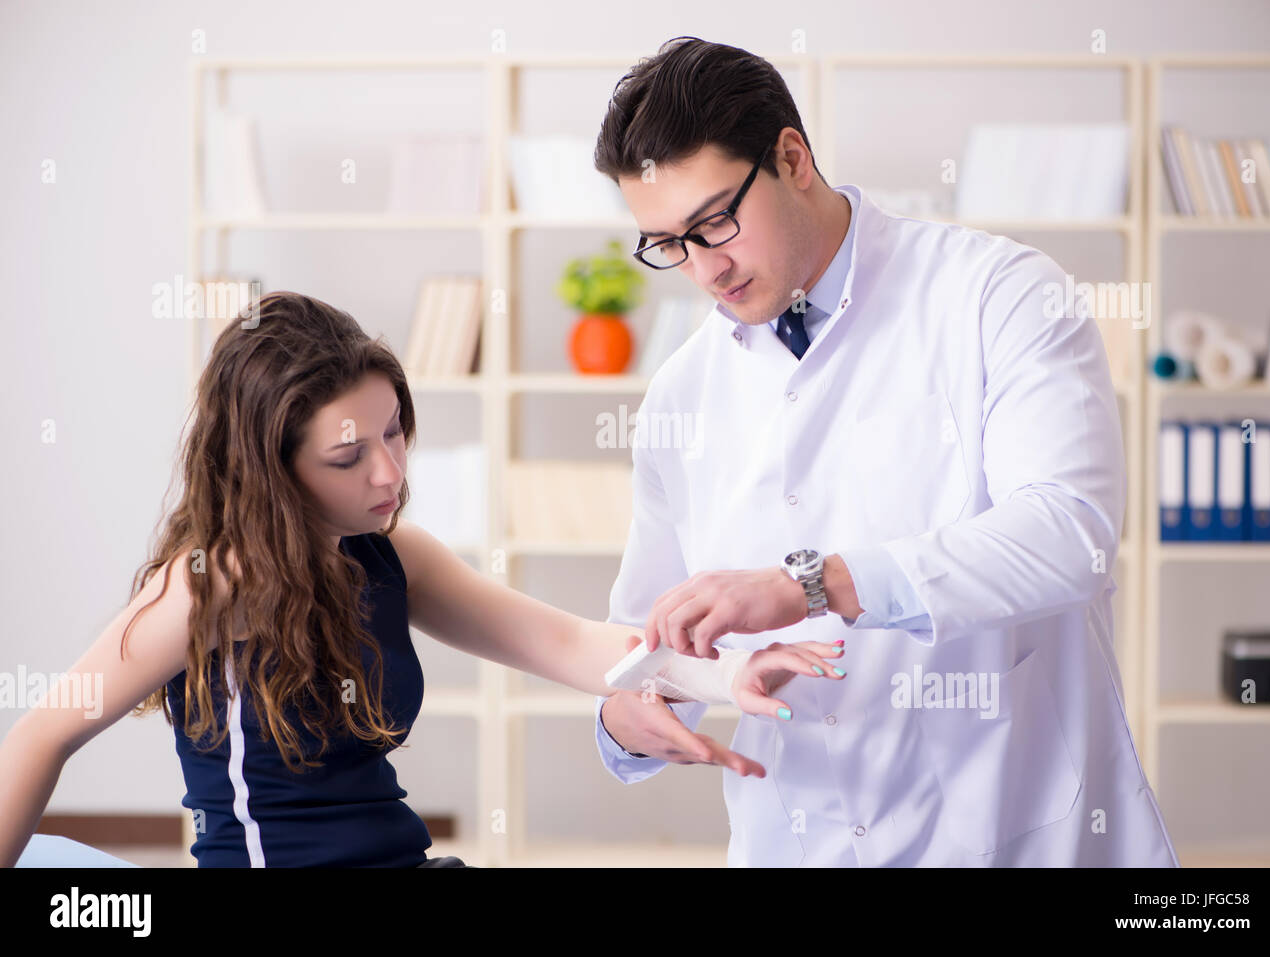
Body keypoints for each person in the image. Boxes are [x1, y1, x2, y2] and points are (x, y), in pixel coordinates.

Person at [590, 36, 1180, 867]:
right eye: (667, 243)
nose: (703, 267)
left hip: (1016, 835)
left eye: (715, 220)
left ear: (792, 157)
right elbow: (651, 637)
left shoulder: (998, 296)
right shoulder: (681, 395)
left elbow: (1068, 532)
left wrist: (812, 584)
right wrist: (629, 719)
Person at [0, 291, 846, 868]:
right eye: (348, 455)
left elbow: (569, 641)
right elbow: (43, 734)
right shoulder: (206, 586)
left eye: (395, 434)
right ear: (272, 467)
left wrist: (729, 672)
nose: (387, 474)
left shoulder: (389, 552)